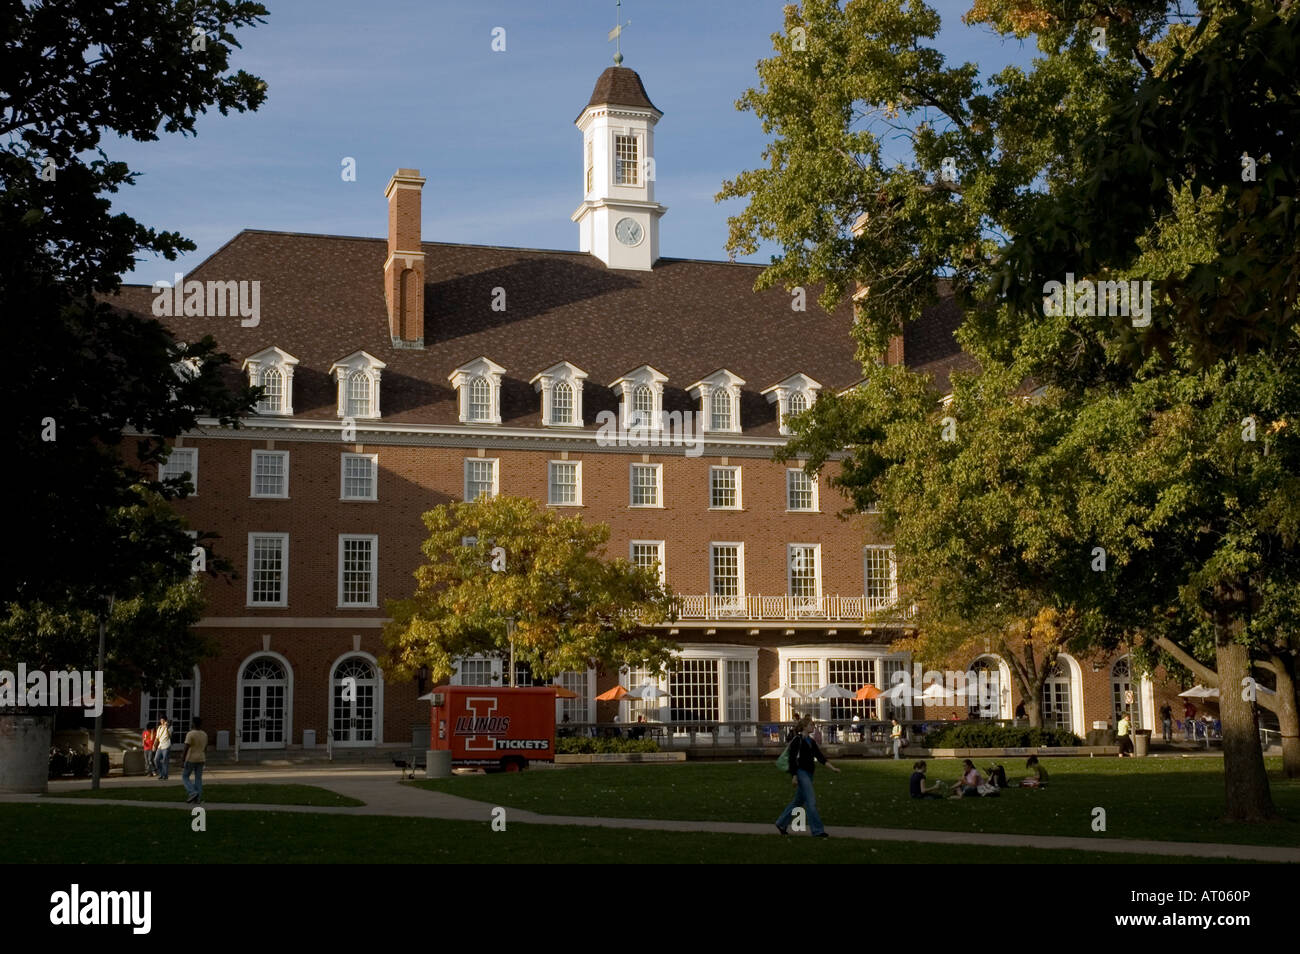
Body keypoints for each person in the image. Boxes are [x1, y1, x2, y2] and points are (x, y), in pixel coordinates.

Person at [775, 716, 841, 837]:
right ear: (805, 726)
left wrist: (832, 768)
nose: (813, 727)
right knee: (811, 802)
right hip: (801, 773)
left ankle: (781, 823)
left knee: (798, 801)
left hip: (809, 774)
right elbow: (792, 760)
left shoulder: (811, 742)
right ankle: (818, 830)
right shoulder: (797, 740)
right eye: (811, 725)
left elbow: (820, 757)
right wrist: (794, 776)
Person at [181, 716, 208, 804]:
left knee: (185, 776)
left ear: (193, 723)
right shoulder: (204, 734)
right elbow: (205, 748)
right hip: (201, 758)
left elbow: (186, 747)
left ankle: (192, 792)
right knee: (198, 779)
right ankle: (198, 798)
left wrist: (182, 759)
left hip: (191, 758)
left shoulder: (190, 734)